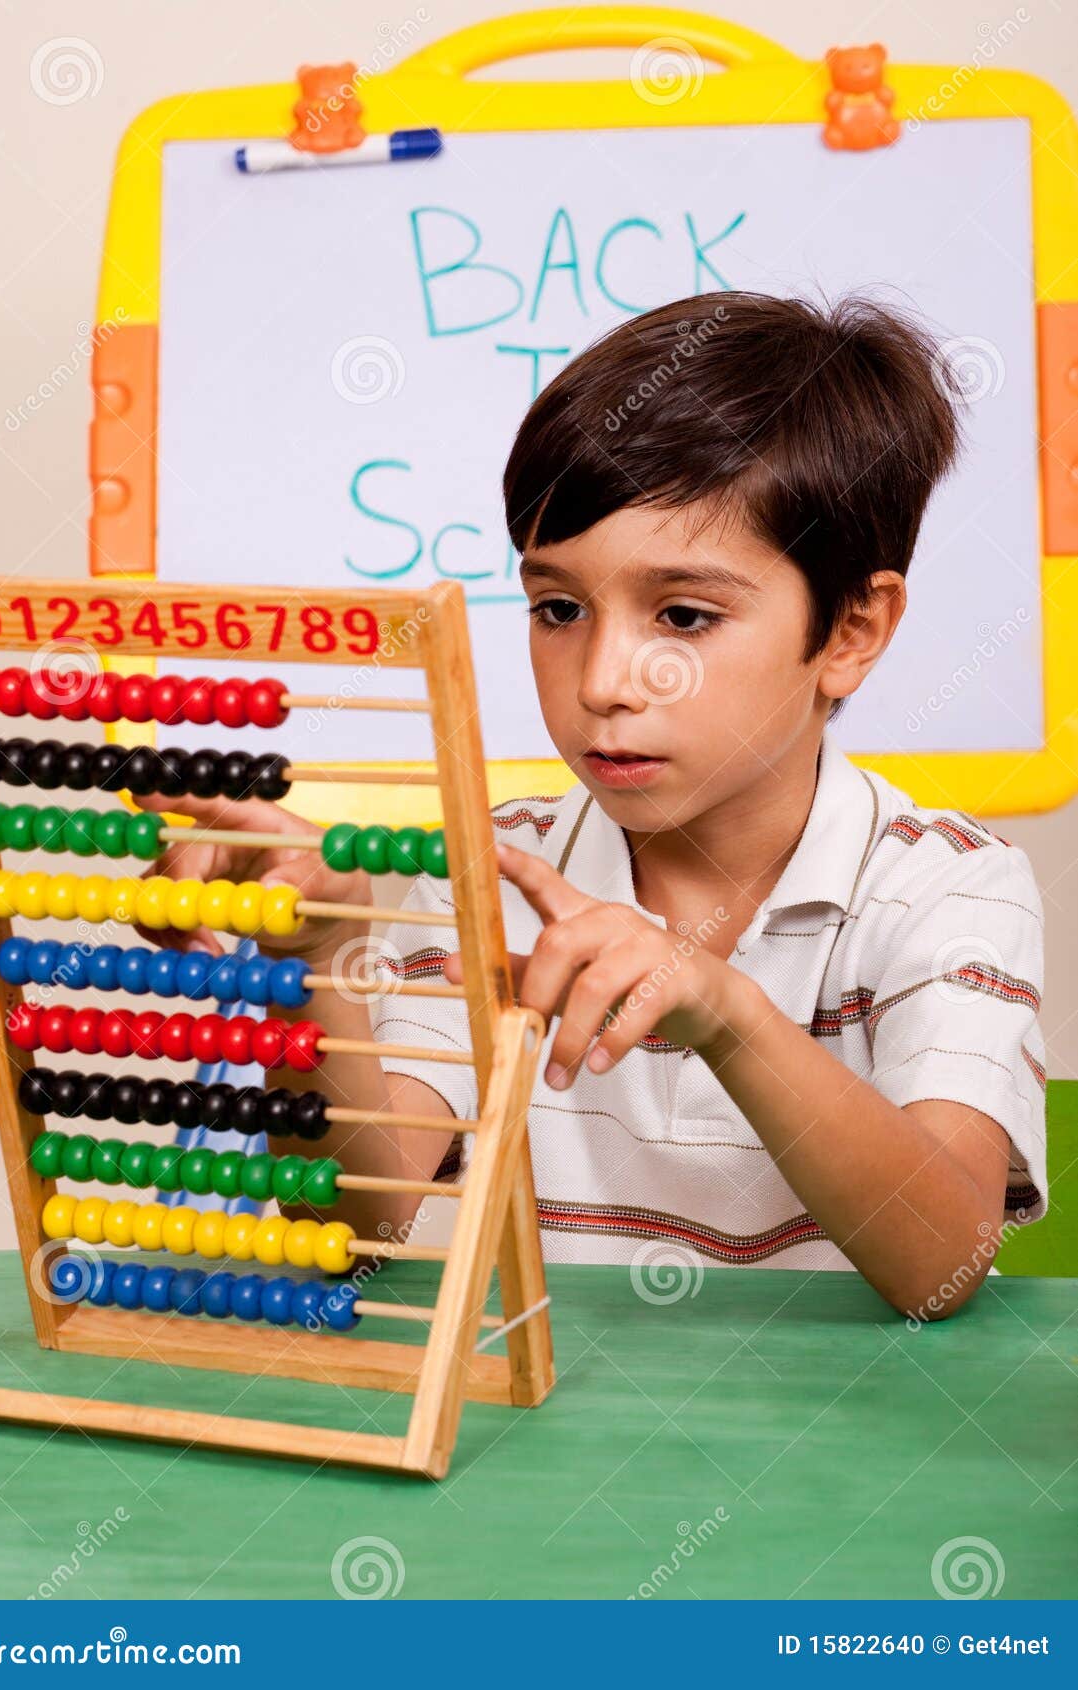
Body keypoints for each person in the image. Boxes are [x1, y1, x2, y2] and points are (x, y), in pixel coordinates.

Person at [145, 292, 1047, 1319]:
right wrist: (310, 965)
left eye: (682, 615)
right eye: (557, 609)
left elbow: (941, 1262)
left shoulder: (945, 884)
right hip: (553, 1445)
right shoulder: (491, 871)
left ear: (849, 628)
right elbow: (364, 1216)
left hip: (845, 1458)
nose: (604, 679)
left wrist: (722, 1009)